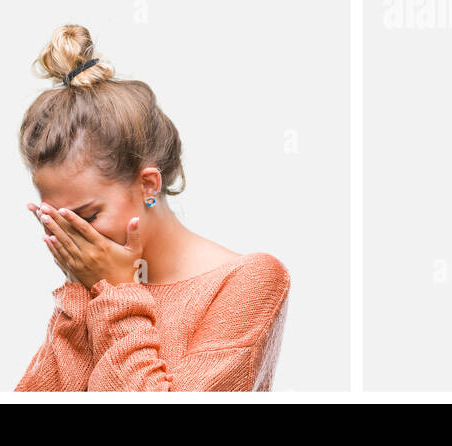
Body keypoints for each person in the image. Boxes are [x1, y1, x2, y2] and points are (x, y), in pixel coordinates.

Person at [16, 25, 289, 391]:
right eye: (55, 221)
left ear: (148, 185)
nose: (74, 238)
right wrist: (86, 291)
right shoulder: (91, 286)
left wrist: (116, 291)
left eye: (87, 216)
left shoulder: (248, 282)